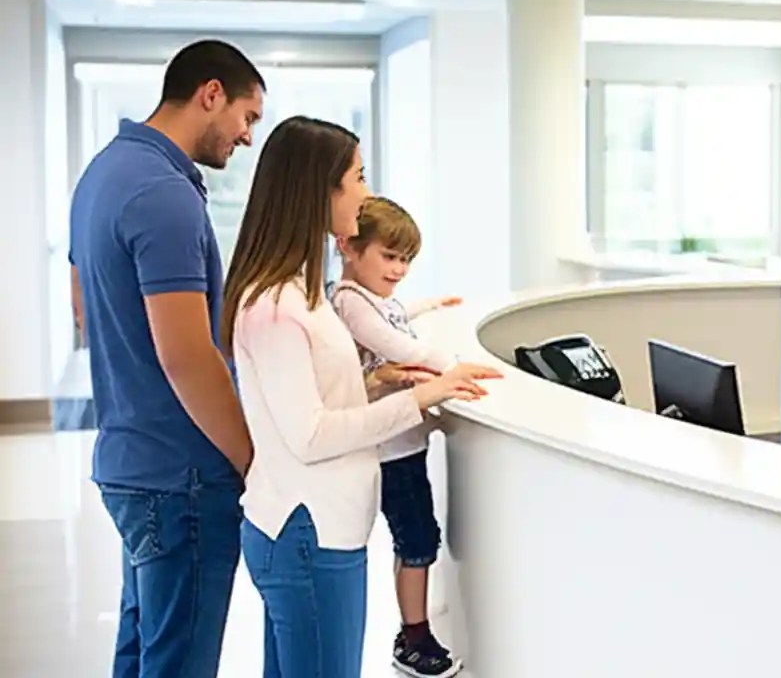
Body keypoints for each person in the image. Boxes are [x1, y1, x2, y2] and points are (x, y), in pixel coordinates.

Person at [221, 115, 501, 678]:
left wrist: (377, 383)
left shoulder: (302, 291)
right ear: (319, 190)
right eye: (358, 176)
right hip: (306, 531)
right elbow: (310, 433)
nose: (366, 192)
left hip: (320, 529)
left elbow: (316, 397)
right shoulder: (277, 305)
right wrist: (421, 399)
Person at [67, 39, 265, 678]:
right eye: (247, 117)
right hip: (181, 477)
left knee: (146, 649)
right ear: (211, 93)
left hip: (132, 460)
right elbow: (184, 354)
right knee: (178, 663)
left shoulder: (104, 172)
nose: (247, 137)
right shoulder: (164, 194)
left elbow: (83, 310)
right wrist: (249, 457)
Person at [329, 196, 463, 677]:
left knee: (416, 538)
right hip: (389, 448)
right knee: (417, 540)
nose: (400, 269)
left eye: (406, 259)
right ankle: (414, 637)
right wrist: (452, 367)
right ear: (349, 248)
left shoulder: (373, 299)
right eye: (390, 256)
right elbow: (394, 342)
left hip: (403, 442)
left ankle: (413, 631)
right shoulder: (348, 300)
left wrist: (433, 305)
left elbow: (399, 316)